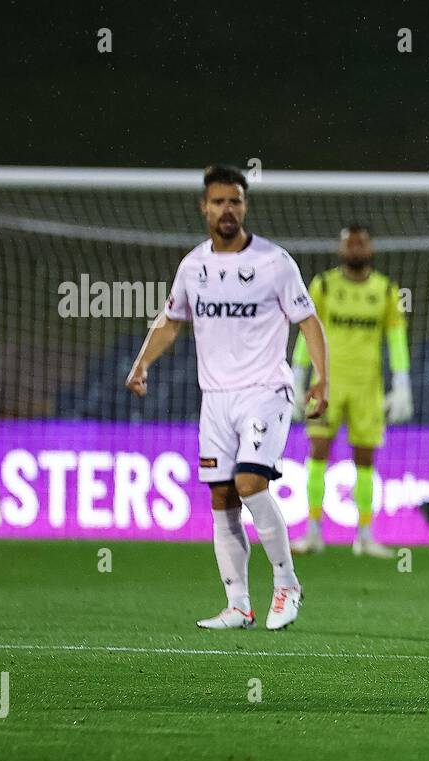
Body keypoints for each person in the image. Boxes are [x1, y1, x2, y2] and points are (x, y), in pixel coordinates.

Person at [126, 164, 329, 630]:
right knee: (222, 498)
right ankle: (238, 604)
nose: (227, 209)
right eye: (218, 202)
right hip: (214, 400)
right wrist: (141, 363)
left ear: (245, 206)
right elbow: (171, 320)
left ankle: (286, 584)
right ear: (204, 208)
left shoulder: (275, 263)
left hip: (264, 393)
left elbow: (309, 322)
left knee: (250, 484)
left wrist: (322, 379)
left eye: (235, 200)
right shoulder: (193, 266)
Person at [289, 224, 413, 558]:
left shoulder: (386, 290)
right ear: (341, 249)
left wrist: (402, 383)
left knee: (365, 458)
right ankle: (313, 531)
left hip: (367, 387)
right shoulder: (324, 285)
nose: (355, 249)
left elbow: (396, 338)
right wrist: (297, 375)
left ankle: (365, 535)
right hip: (326, 382)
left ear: (370, 248)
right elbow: (308, 329)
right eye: (350, 244)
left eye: (361, 243)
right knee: (317, 451)